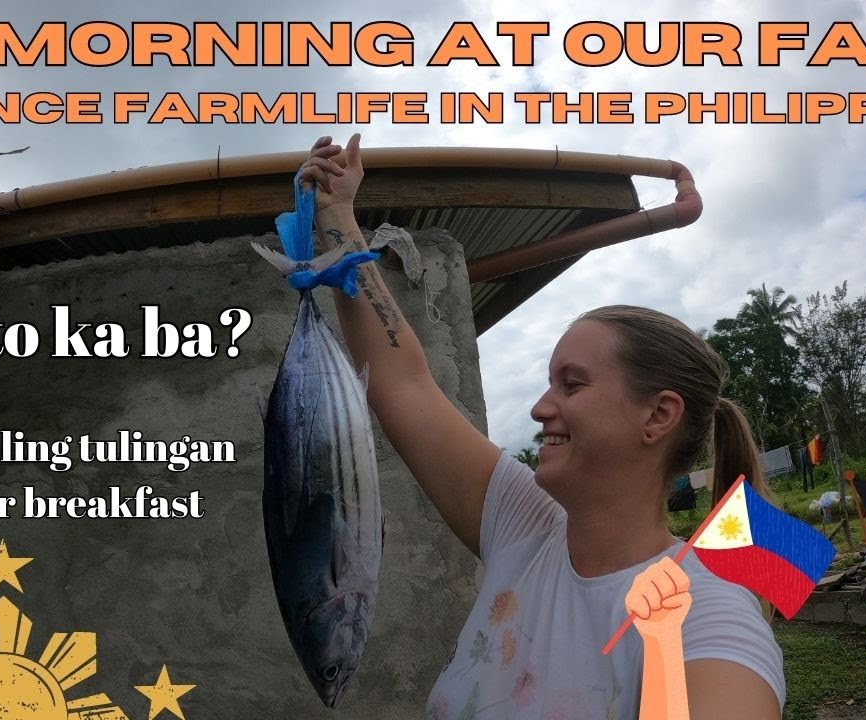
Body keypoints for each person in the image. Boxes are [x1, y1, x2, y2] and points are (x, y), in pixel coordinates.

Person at [299, 134, 784, 719]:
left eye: (572, 385)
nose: (539, 409)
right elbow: (404, 383)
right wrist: (337, 219)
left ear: (658, 416)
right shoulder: (524, 526)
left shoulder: (704, 615)